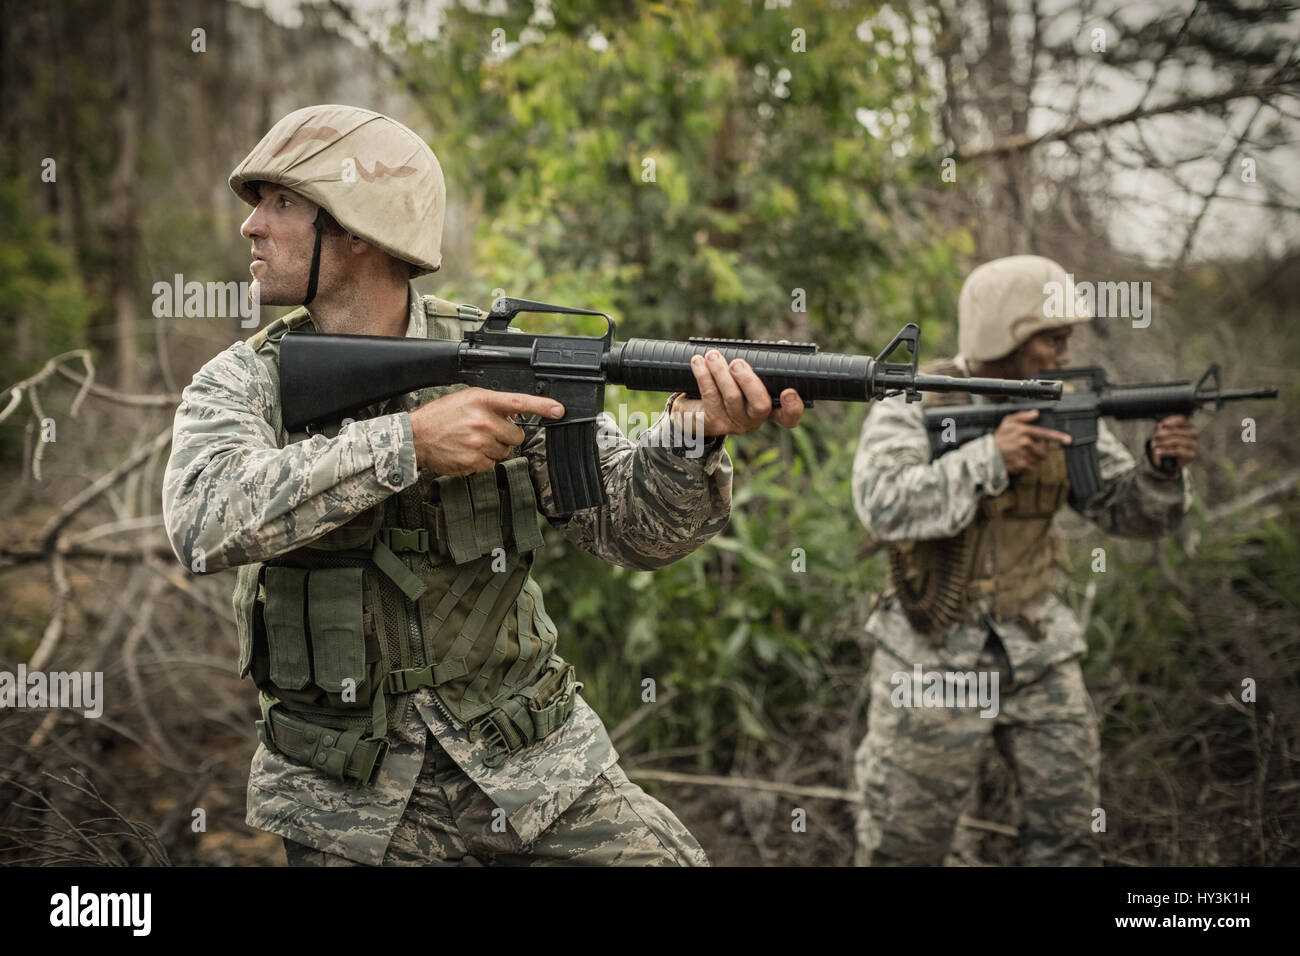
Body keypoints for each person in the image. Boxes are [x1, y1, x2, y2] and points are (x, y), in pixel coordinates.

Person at [162, 104, 804, 866]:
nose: (252, 227)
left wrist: (694, 436)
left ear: (357, 225)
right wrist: (408, 443)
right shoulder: (245, 380)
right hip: (346, 796)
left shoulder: (498, 359)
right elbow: (200, 519)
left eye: (282, 203)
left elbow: (632, 531)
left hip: (532, 758)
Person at [850, 255, 1197, 866]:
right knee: (907, 848)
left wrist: (1160, 473)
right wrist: (989, 459)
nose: (1063, 355)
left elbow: (1127, 513)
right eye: (1051, 339)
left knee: (1069, 840)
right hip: (930, 659)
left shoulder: (1063, 406)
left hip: (1038, 648)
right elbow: (881, 505)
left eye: (1067, 340)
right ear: (1002, 334)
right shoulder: (916, 399)